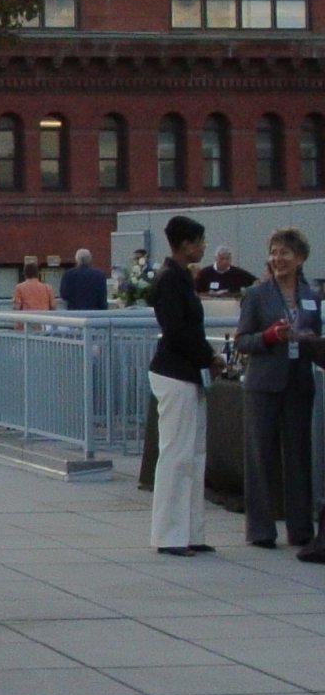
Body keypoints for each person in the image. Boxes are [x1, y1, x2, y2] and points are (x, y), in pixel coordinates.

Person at [236, 229, 321, 550]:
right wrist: (270, 336)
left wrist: (311, 341)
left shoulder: (312, 295)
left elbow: (317, 335)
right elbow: (243, 341)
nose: (277, 259)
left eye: (284, 253)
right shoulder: (257, 295)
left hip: (299, 383)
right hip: (264, 384)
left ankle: (301, 529)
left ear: (300, 258)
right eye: (273, 252)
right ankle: (260, 529)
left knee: (299, 456)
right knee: (260, 457)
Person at [150, 214, 217, 556]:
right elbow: (177, 331)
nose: (203, 247)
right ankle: (169, 534)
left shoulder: (180, 277)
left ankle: (191, 529)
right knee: (177, 454)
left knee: (193, 453)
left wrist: (204, 358)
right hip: (175, 372)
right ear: (186, 244)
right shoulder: (170, 280)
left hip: (187, 371)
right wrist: (208, 356)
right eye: (200, 241)